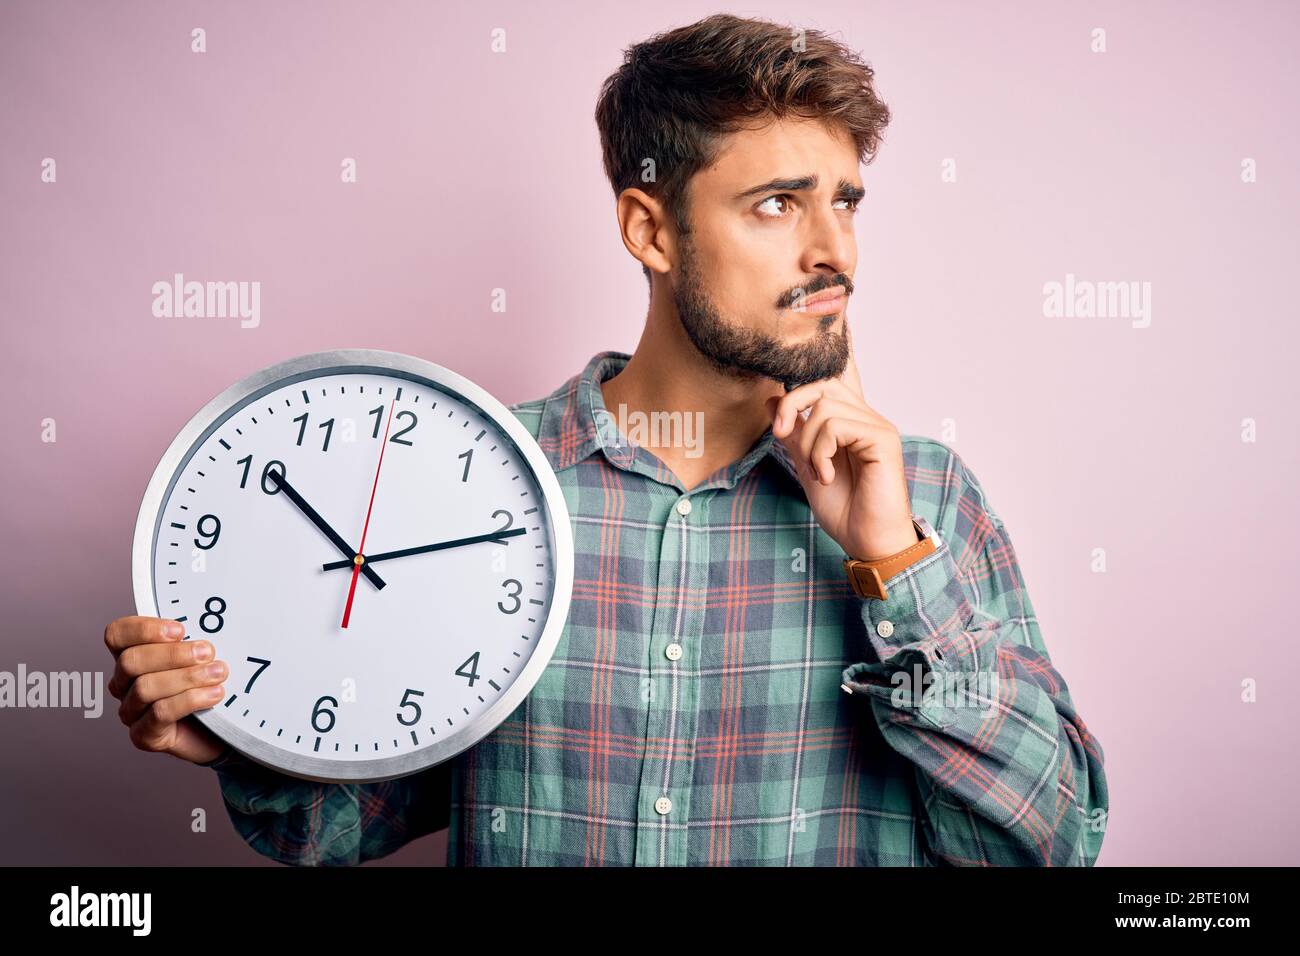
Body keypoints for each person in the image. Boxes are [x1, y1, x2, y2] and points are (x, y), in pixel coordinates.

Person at [102, 12, 1108, 866]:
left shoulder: (924, 498)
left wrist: (892, 567)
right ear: (650, 230)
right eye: (777, 204)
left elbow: (1055, 839)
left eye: (842, 202)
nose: (832, 249)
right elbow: (344, 822)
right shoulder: (475, 489)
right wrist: (235, 731)